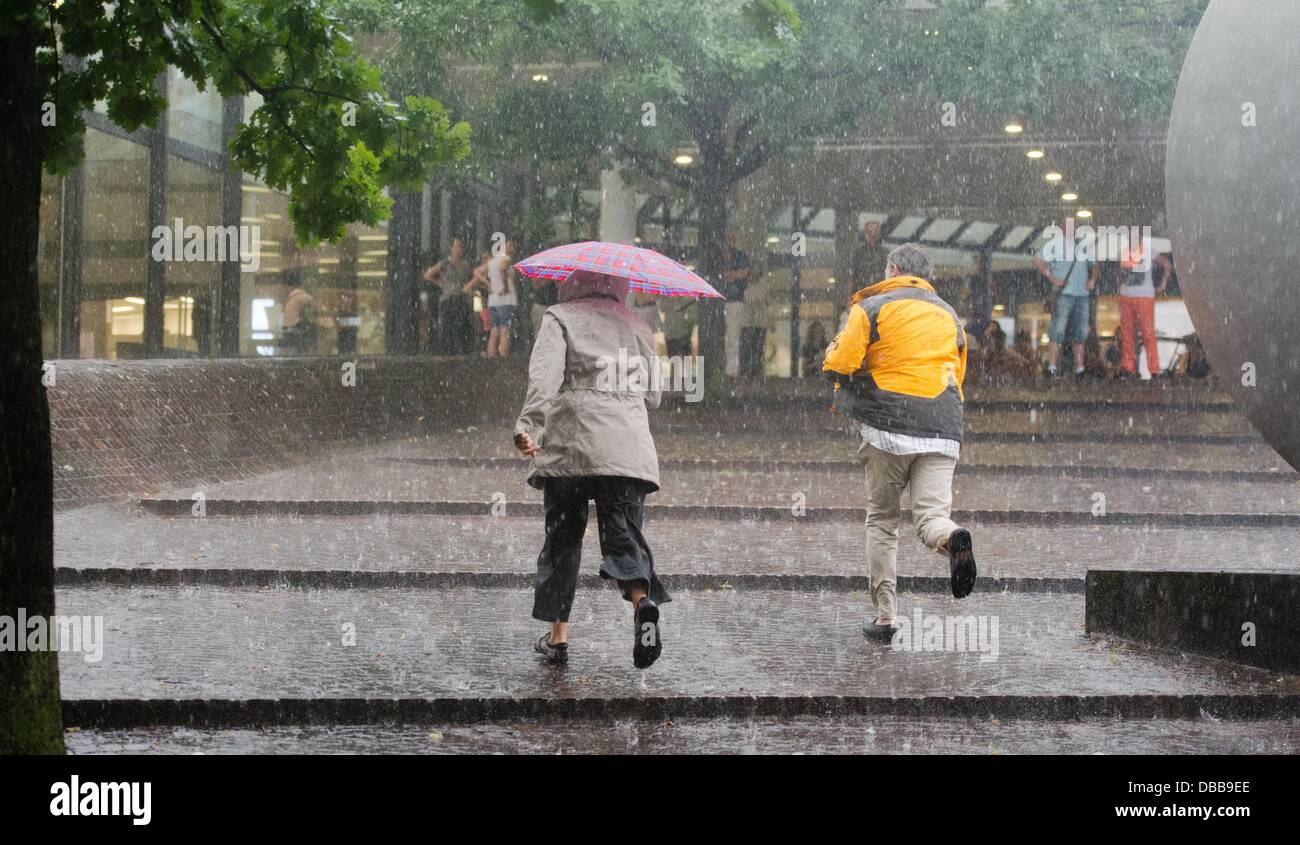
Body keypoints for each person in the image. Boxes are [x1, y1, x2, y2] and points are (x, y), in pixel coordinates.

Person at [514, 270, 669, 669]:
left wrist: (528, 426)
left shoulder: (560, 317)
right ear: (620, 288)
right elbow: (653, 396)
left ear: (570, 283)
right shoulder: (639, 325)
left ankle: (558, 639)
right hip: (626, 449)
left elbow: (544, 379)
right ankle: (642, 602)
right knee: (623, 534)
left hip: (573, 446)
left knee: (563, 540)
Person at [822, 243, 977, 641]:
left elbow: (842, 363)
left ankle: (886, 618)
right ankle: (953, 538)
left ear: (892, 269)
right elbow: (958, 374)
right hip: (942, 427)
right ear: (927, 276)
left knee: (883, 521)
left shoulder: (871, 308)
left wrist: (830, 353)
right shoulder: (949, 316)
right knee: (930, 519)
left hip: (889, 429)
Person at [1032, 218, 1098, 378]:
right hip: (1064, 294)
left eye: (1073, 225)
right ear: (1061, 227)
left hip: (1081, 295)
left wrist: (1092, 280)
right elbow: (1037, 261)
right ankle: (1053, 367)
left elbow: (1095, 266)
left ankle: (1079, 368)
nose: (1071, 228)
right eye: (1068, 225)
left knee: (1079, 333)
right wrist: (1052, 278)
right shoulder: (1056, 244)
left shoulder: (1083, 246)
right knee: (1058, 331)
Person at [1116, 234, 1173, 379]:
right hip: (1128, 296)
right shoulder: (1124, 253)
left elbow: (1167, 264)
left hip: (1143, 297)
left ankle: (1152, 369)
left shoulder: (1148, 251)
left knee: (1146, 334)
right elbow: (1120, 275)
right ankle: (1130, 368)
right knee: (1128, 334)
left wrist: (1162, 284)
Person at [423, 238, 474, 355]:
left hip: (461, 298)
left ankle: (459, 351)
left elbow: (469, 280)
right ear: (451, 249)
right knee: (447, 326)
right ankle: (446, 352)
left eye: (460, 247)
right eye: (456, 247)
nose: (458, 250)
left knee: (460, 327)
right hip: (448, 299)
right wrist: (440, 283)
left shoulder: (465, 265)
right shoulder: (444, 264)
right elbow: (428, 275)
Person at [718, 230, 750, 378]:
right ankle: (723, 369)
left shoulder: (740, 256)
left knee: (733, 336)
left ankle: (732, 371)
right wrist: (733, 274)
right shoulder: (718, 256)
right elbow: (717, 275)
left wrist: (729, 275)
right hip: (719, 302)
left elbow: (744, 272)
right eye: (726, 239)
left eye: (731, 238)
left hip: (735, 301)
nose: (729, 242)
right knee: (721, 336)